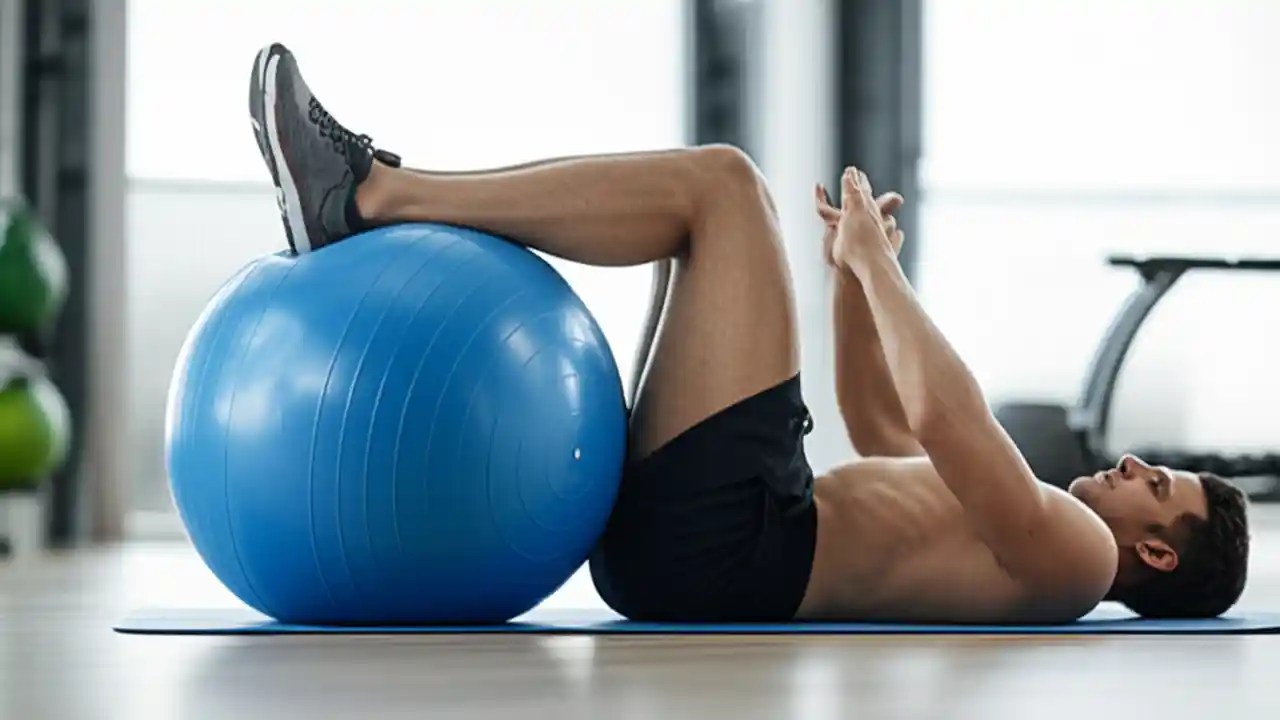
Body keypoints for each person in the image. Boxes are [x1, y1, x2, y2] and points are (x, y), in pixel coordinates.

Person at [247, 44, 1250, 623]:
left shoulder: (1076, 561)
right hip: (725, 541)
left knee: (721, 186)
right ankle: (372, 192)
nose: (1130, 465)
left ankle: (372, 193)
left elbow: (950, 423)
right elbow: (887, 425)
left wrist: (875, 266)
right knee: (708, 206)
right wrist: (851, 285)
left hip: (734, 550)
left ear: (1155, 557)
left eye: (1155, 486)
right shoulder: (1028, 537)